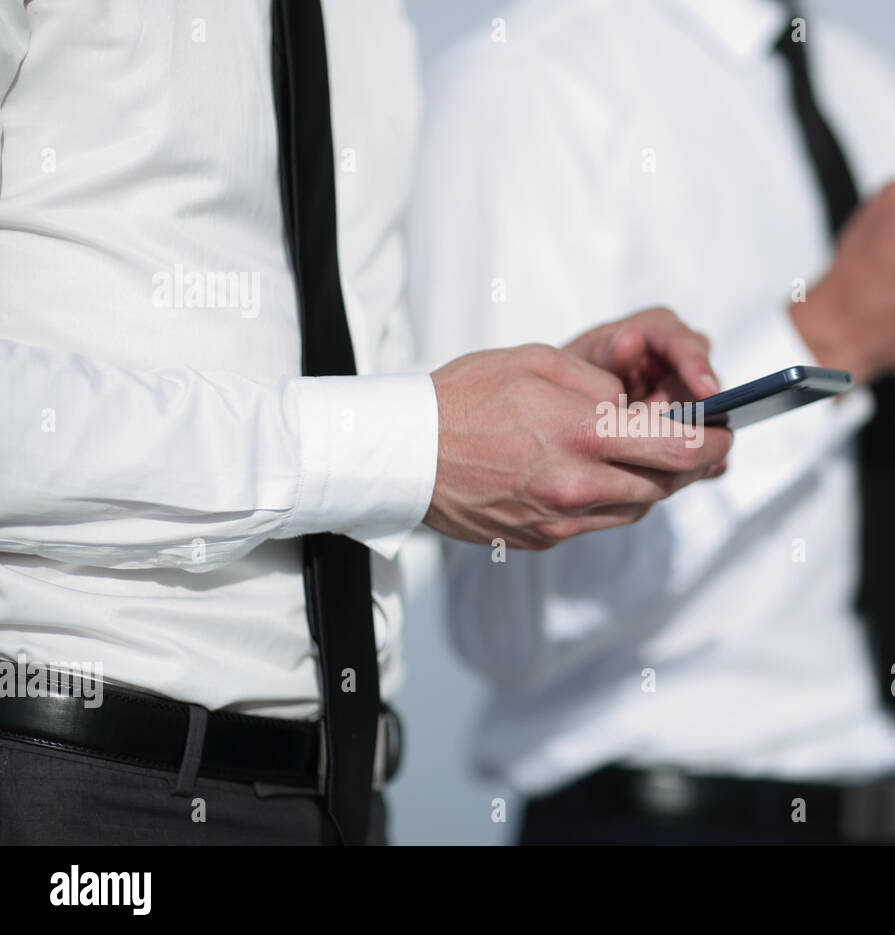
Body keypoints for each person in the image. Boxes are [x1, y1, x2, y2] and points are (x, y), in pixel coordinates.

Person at [0, 0, 729, 845]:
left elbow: (346, 420)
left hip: (346, 798)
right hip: (65, 778)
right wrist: (410, 443)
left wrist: (521, 419)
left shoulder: (374, 19)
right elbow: (380, 449)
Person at [410, 0, 895, 844]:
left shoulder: (863, 85)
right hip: (668, 823)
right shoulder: (527, 82)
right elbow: (505, 617)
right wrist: (829, 339)